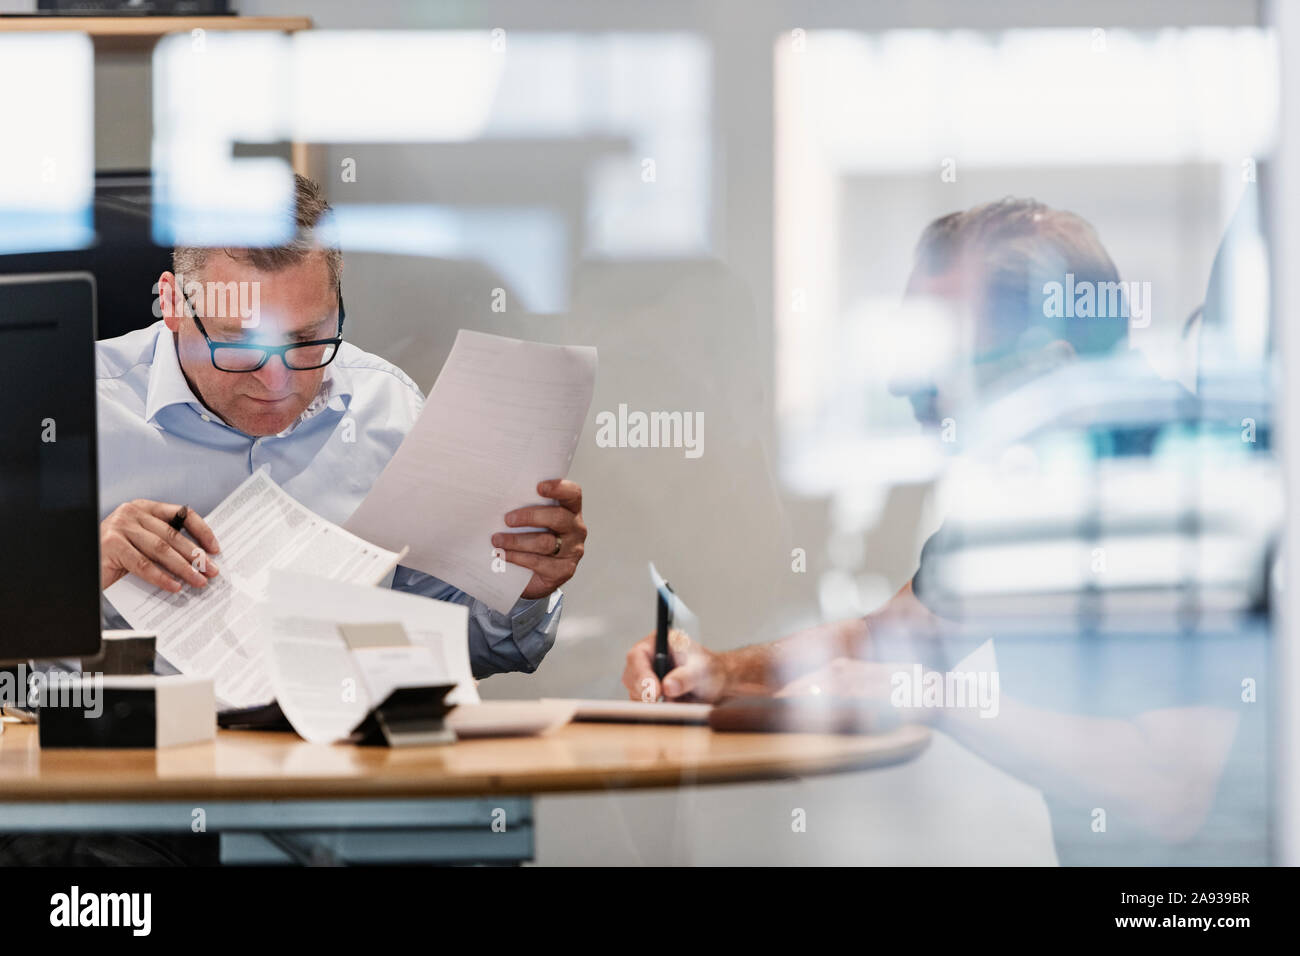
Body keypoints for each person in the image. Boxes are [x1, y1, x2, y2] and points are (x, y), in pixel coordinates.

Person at [623, 198, 1253, 864]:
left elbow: (1169, 790)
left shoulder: (1184, 484)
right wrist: (719, 671)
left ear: (1049, 370)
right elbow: (885, 638)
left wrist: (929, 697)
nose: (904, 387)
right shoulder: (1026, 492)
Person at [97, 174, 586, 677]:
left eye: (307, 338)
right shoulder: (75, 410)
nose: (276, 378)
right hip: (124, 747)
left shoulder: (387, 412)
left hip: (335, 747)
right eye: (239, 342)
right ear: (174, 304)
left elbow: (471, 645)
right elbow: (19, 677)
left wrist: (522, 586)